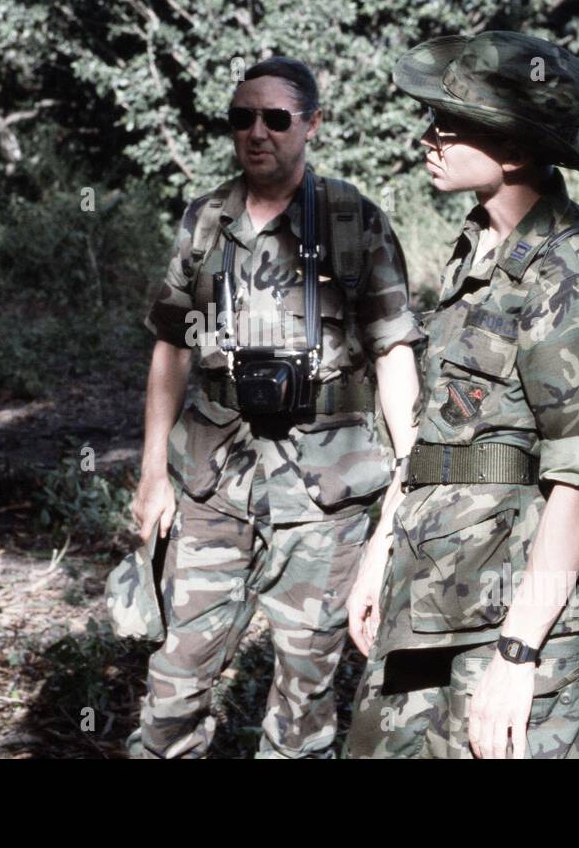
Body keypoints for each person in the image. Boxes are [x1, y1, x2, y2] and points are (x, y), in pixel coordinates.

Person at [345, 31, 579, 759]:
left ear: (512, 151)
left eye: (449, 125)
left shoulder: (575, 275)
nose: (428, 139)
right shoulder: (476, 244)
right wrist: (382, 548)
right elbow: (437, 427)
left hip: (513, 622)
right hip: (431, 595)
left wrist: (517, 657)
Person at [126, 56, 423, 758]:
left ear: (311, 124)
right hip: (211, 481)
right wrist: (151, 472)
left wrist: (407, 481)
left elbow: (394, 352)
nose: (256, 132)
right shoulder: (204, 221)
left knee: (304, 696)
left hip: (326, 490)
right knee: (175, 679)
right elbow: (169, 349)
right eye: (242, 117)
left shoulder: (354, 218)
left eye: (276, 118)